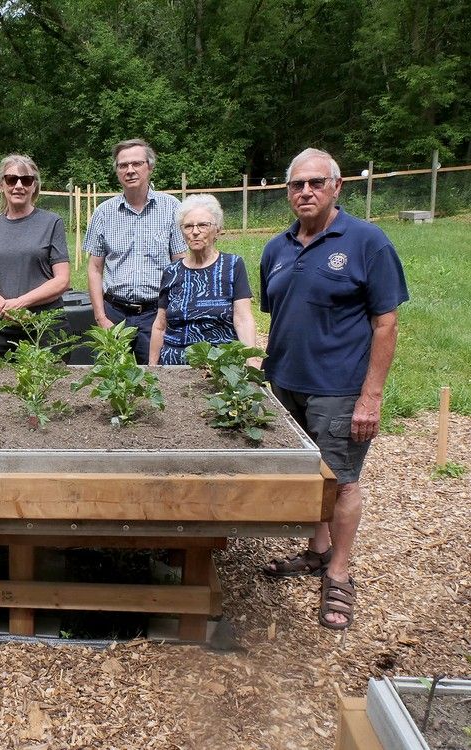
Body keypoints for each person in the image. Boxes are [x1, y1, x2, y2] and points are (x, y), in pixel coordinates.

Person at [260, 148, 408, 630]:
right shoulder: (276, 248)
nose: (306, 192)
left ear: (336, 186)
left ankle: (339, 574)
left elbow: (385, 323)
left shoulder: (367, 242)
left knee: (342, 480)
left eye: (316, 183)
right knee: (308, 478)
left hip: (339, 388)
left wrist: (371, 396)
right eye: (297, 184)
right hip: (285, 384)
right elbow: (281, 315)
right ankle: (317, 552)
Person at [85, 138, 186, 364]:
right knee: (108, 380)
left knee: (156, 381)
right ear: (117, 171)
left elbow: (181, 265)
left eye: (137, 164)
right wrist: (101, 317)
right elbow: (94, 268)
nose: (130, 170)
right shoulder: (104, 213)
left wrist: (170, 314)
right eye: (123, 165)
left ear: (149, 167)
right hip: (114, 313)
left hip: (156, 314)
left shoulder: (172, 208)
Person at [0, 154, 70, 357]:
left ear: (34, 186)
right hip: (1, 327)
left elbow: (62, 279)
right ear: (1, 185)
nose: (19, 185)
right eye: (11, 179)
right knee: (1, 386)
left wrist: (20, 303)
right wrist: (4, 306)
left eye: (26, 180)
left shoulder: (51, 222)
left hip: (44, 325)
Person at [148, 194, 256, 365]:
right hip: (174, 366)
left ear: (217, 229)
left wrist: (252, 363)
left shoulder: (232, 265)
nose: (195, 231)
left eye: (203, 225)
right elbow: (160, 325)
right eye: (188, 226)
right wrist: (152, 368)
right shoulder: (171, 271)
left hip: (219, 366)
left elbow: (243, 318)